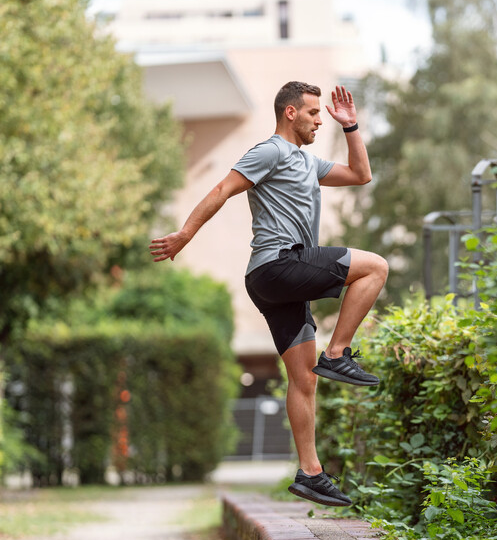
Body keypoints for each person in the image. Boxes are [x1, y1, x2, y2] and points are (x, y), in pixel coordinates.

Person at [149, 82, 387, 507]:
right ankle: (339, 353)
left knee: (303, 379)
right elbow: (223, 188)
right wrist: (185, 235)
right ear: (290, 113)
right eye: (314, 113)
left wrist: (352, 127)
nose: (320, 120)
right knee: (375, 267)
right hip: (279, 264)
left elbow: (360, 175)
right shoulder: (271, 151)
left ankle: (310, 473)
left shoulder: (308, 163)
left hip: (272, 280)